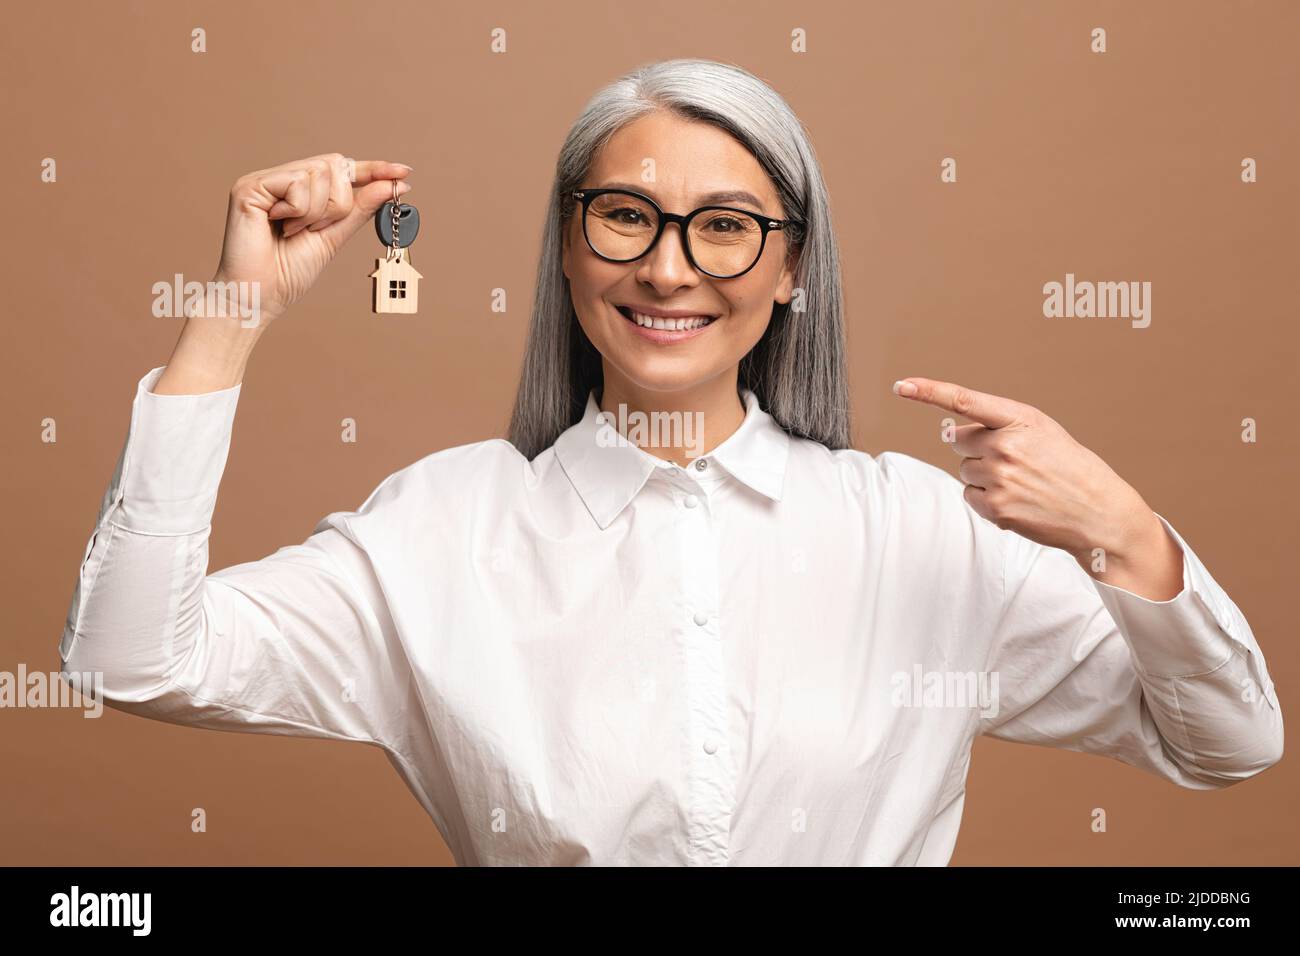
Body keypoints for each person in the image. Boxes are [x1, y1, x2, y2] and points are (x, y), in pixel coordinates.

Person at [60, 58, 1282, 866]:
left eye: (728, 226)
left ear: (794, 268)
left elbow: (1225, 743)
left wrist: (1125, 531)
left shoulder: (919, 532)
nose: (668, 269)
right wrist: (230, 314)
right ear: (568, 245)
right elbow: (131, 658)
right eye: (626, 216)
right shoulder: (443, 526)